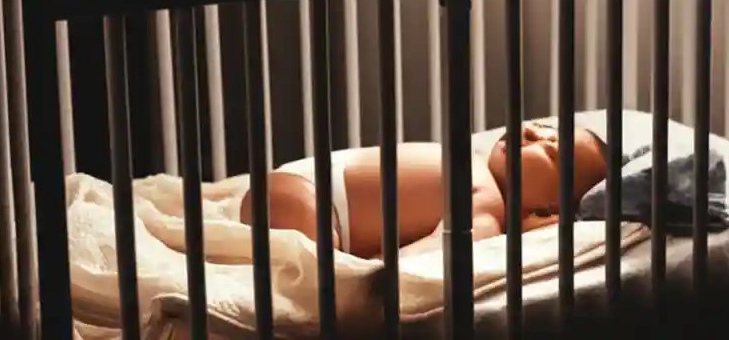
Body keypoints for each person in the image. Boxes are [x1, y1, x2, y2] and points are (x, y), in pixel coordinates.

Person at [239, 121, 609, 259]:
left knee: (318, 275)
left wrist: (382, 269)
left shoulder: (487, 206)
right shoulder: (472, 161)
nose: (533, 133)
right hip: (303, 195)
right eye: (545, 127)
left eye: (553, 151)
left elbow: (442, 247)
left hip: (300, 197)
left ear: (546, 212)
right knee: (318, 275)